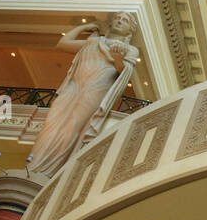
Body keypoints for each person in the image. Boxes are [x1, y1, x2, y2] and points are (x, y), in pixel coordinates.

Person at [27, 13, 139, 181]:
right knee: (52, 121)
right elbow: (62, 44)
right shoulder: (93, 41)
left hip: (97, 87)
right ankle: (33, 166)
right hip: (74, 86)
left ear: (130, 30)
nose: (119, 21)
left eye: (125, 21)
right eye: (118, 18)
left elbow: (124, 73)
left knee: (74, 124)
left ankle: (51, 171)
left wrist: (117, 58)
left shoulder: (129, 49)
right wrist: (85, 27)